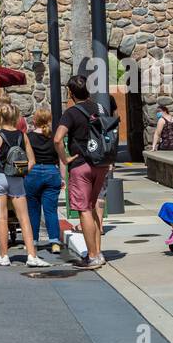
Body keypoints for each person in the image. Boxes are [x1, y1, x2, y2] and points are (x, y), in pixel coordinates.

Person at [54, 75, 116, 269]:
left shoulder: (71, 113)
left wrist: (64, 159)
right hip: (101, 163)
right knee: (94, 206)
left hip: (81, 165)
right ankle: (98, 252)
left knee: (84, 210)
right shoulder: (100, 108)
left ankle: (92, 256)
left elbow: (57, 139)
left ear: (71, 93)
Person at [0, 102, 45, 268]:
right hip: (17, 178)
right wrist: (23, 172)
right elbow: (32, 161)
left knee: (2, 218)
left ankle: (4, 256)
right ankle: (32, 255)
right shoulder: (22, 135)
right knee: (23, 218)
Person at [23, 107, 63, 255]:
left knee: (33, 210)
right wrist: (63, 178)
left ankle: (33, 241)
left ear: (35, 120)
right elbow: (61, 159)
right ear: (49, 120)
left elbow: (24, 157)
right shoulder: (55, 137)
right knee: (51, 210)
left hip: (33, 172)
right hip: (52, 171)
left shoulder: (28, 137)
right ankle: (54, 242)